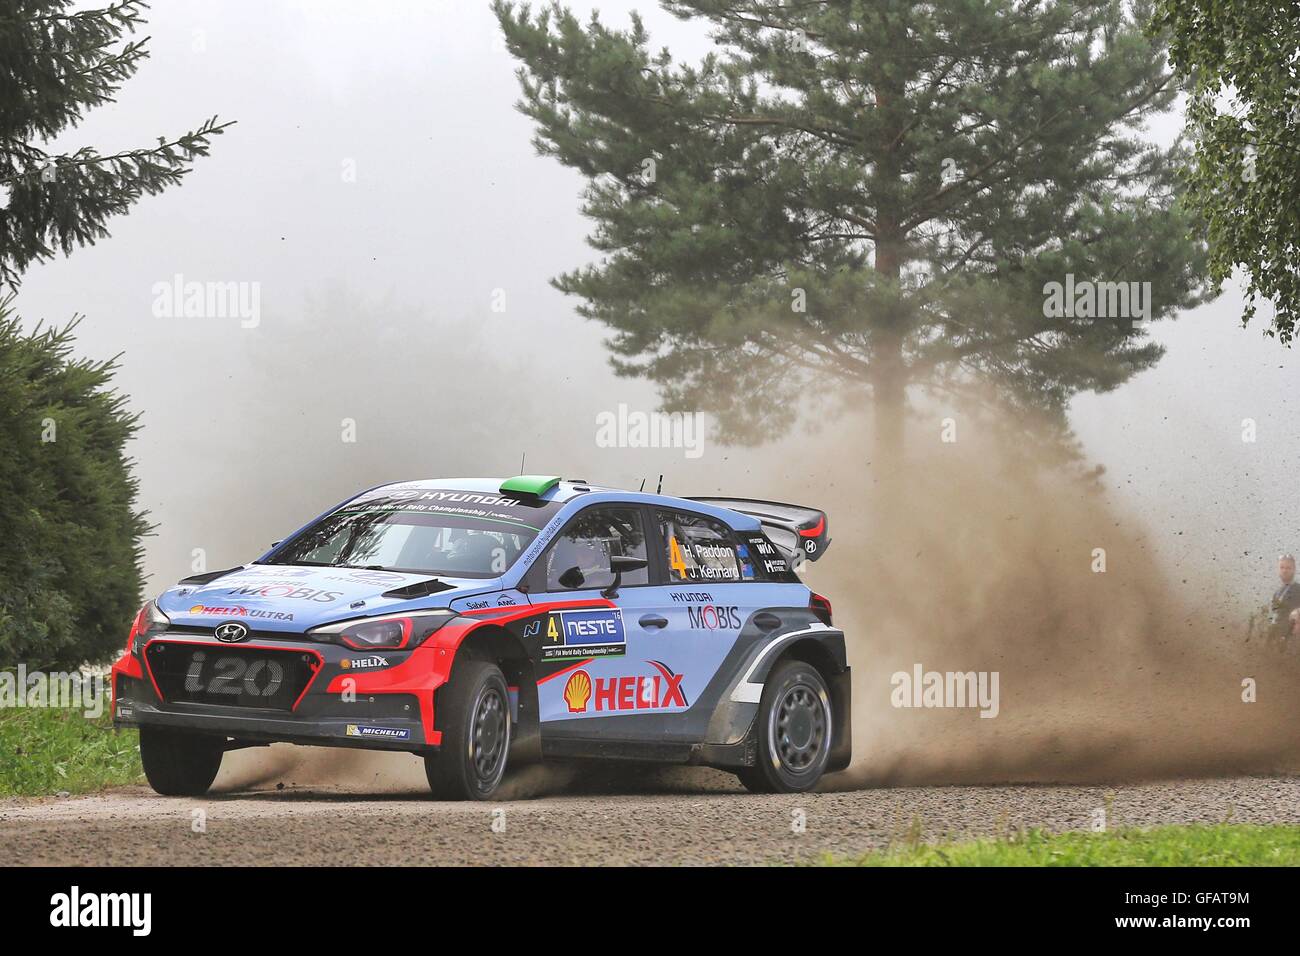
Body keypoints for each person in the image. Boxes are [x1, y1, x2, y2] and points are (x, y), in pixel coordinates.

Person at [1267, 554, 1300, 643]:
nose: (1285, 571)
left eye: (1288, 568)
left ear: (1294, 570)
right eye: (1282, 567)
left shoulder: (1298, 589)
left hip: (1291, 640)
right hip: (1275, 638)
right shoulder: (1277, 593)